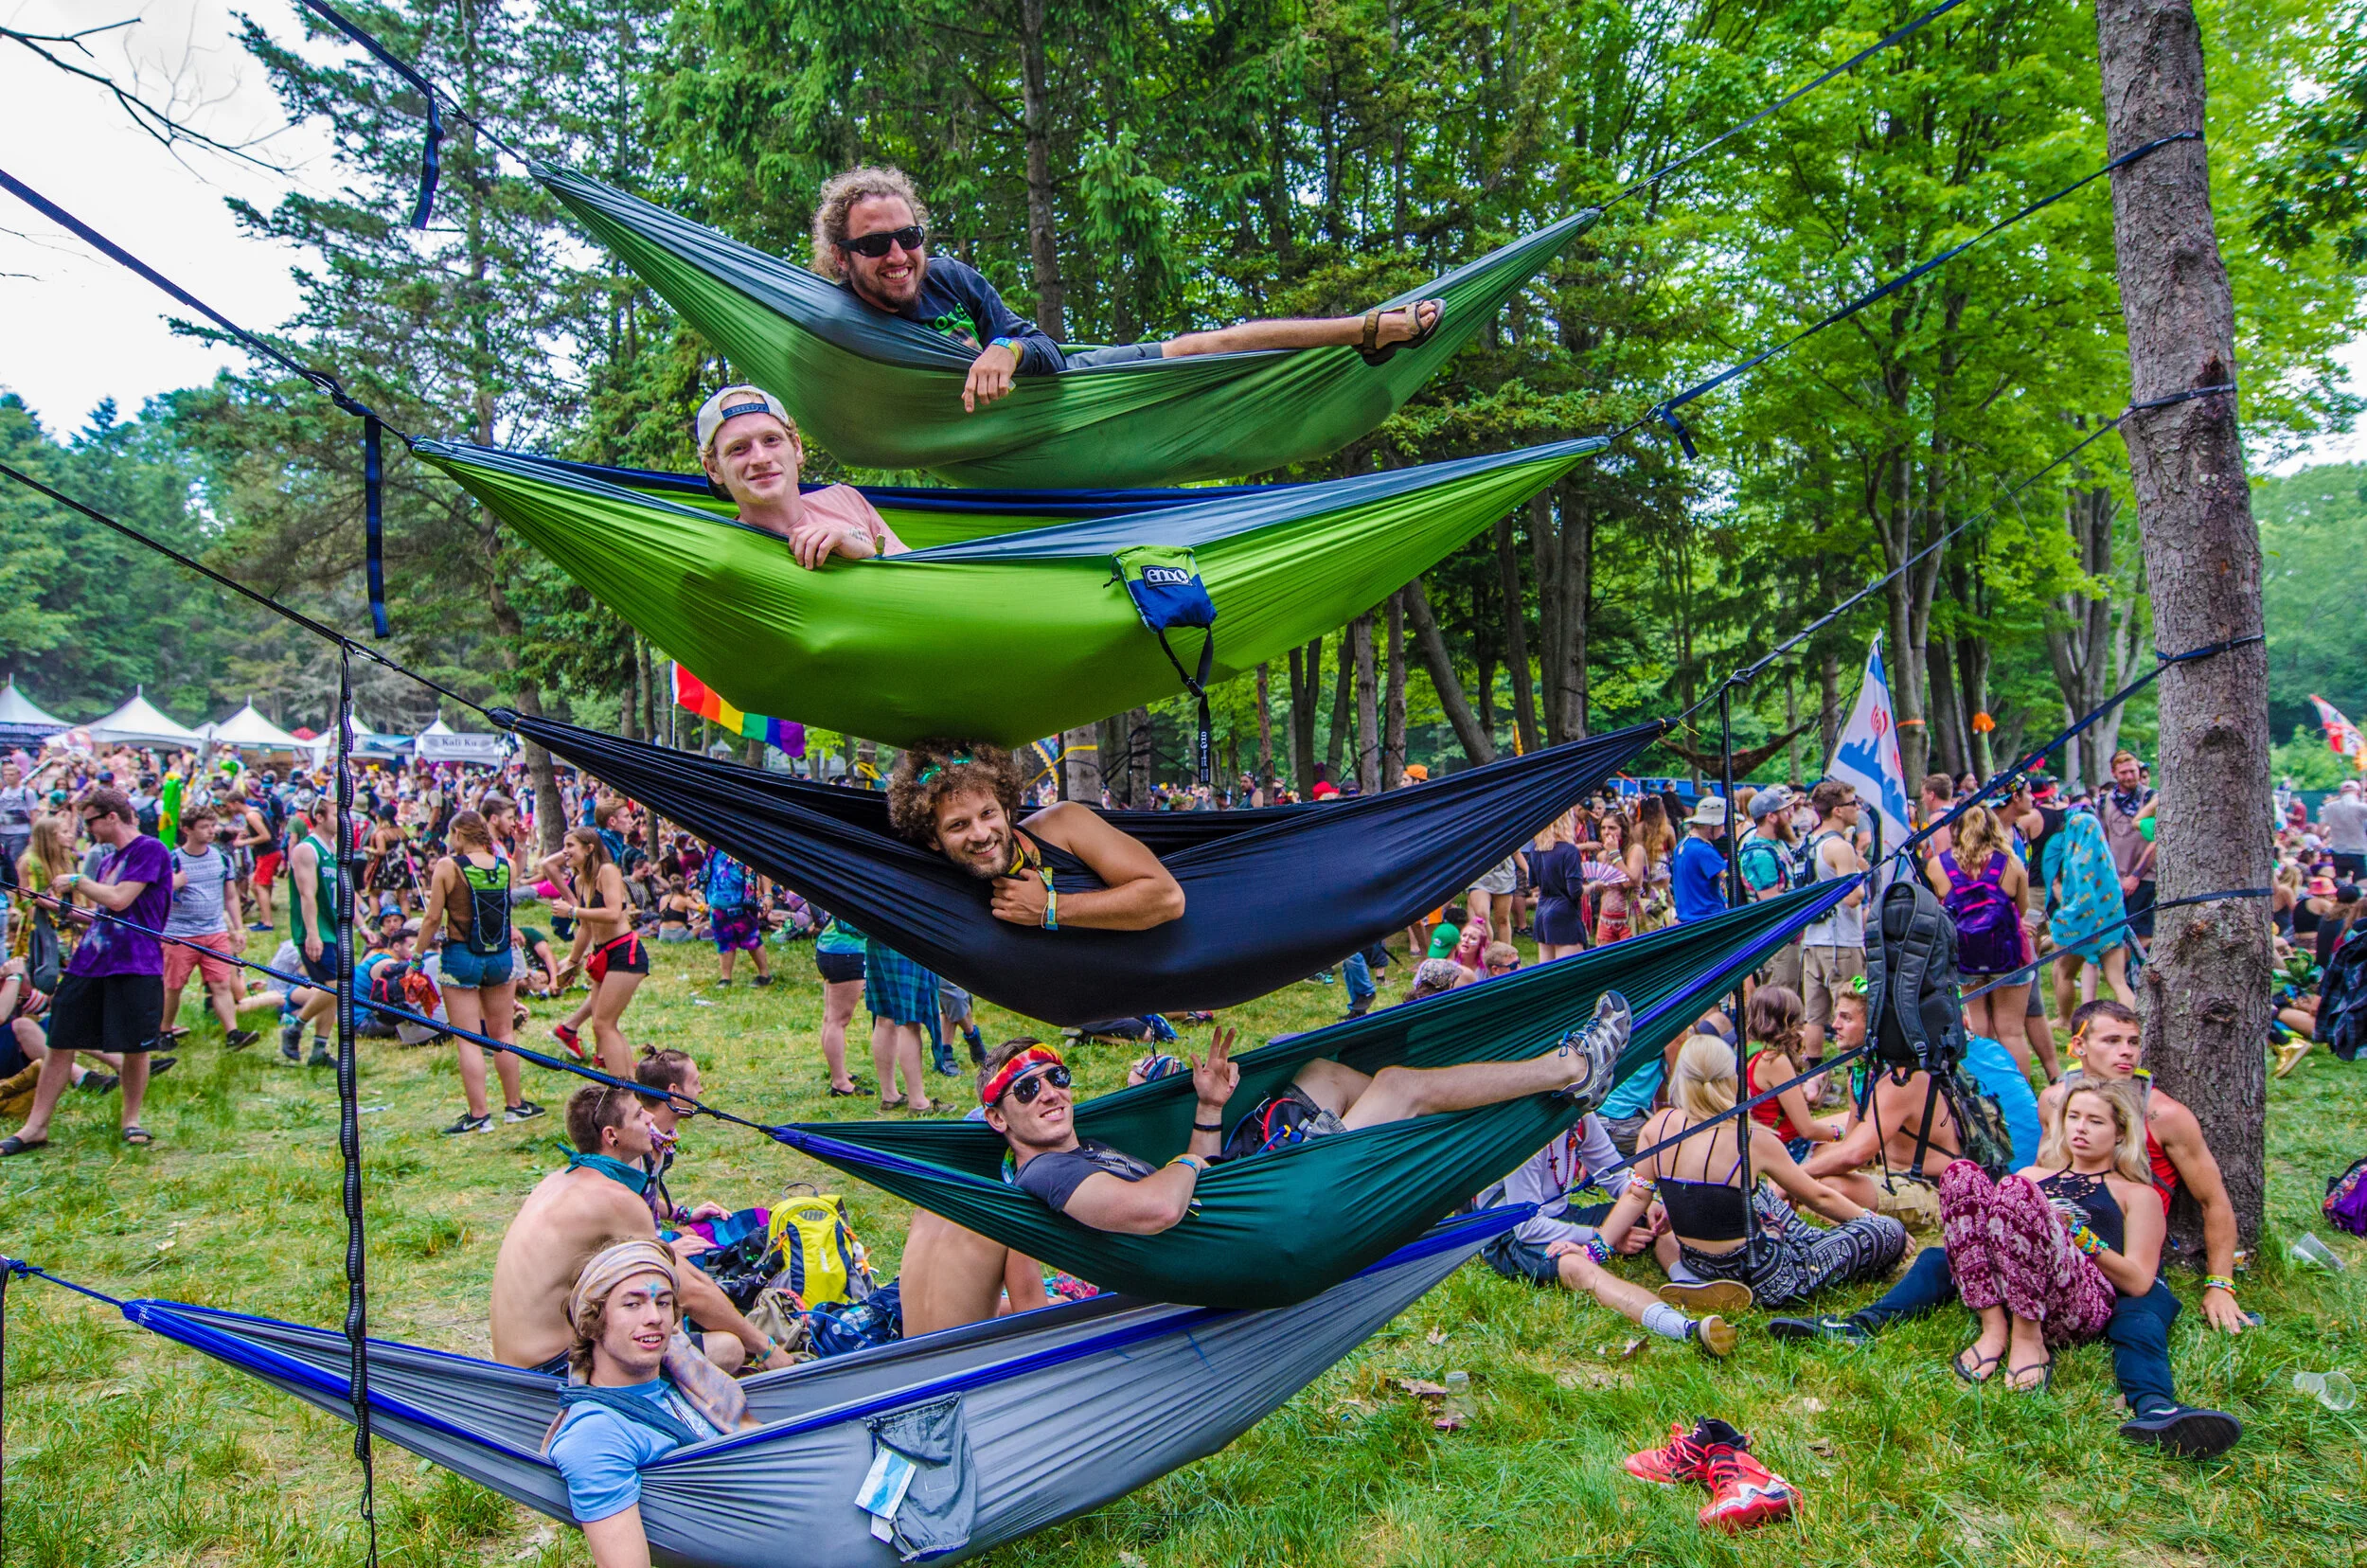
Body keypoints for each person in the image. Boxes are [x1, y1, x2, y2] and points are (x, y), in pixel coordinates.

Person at [810, 166, 1445, 413]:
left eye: (909, 236)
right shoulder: (832, 318)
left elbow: (1043, 349)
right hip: (994, 444)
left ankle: (1368, 331)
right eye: (875, 244)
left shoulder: (949, 279)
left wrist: (1006, 347)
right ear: (841, 257)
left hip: (1072, 392)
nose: (898, 256)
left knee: (1204, 346)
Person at [983, 997, 1628, 1236]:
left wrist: (1208, 1107)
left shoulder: (1078, 1148)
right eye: (1025, 1090)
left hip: (1240, 1181)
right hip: (1265, 1214)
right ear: (997, 1120)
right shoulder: (1047, 1173)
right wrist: (1188, 1161)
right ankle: (1570, 1069)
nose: (1049, 1094)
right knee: (1398, 1086)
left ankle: (1444, 1152)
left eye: (1056, 1078)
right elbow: (1156, 1210)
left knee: (1323, 1072)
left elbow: (1191, 1174)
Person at [489, 1083, 793, 1375]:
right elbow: (690, 1292)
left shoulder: (560, 1180)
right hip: (552, 1371)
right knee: (729, 1348)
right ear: (612, 1135)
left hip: (512, 1368)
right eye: (638, 1115)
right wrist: (765, 1348)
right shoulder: (614, 1200)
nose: (650, 1117)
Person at [1590, 1034, 1907, 1309]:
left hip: (1699, 1263)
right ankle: (1846, 1236)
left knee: (1755, 1198)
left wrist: (1595, 1250)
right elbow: (1819, 1197)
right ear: (1732, 1079)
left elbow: (1636, 1197)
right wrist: (1870, 1220)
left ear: (1679, 1078)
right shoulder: (1752, 1138)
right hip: (1763, 1276)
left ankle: (1688, 1280)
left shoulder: (1656, 1128)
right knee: (1889, 1230)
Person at [542, 1240, 756, 1568]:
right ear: (591, 1321)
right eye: (633, 1304)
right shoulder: (597, 1436)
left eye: (663, 1302)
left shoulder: (685, 1383)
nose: (654, 1317)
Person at [1937, 1080, 2162, 1391]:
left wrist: (2073, 1231)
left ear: (2121, 1132)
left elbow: (2138, 1282)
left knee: (2018, 1190)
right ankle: (1993, 1327)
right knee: (1961, 1173)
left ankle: (2028, 1338)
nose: (2080, 1128)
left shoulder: (2137, 1194)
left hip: (2076, 1302)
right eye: (2073, 1116)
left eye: (2096, 1121)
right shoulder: (2031, 1176)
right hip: (2007, 1289)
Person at [0, 787, 174, 1154]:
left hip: (134, 963)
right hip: (89, 963)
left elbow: (120, 899)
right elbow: (104, 914)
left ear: (111, 817)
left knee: (135, 1046)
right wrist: (60, 907)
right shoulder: (110, 860)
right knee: (60, 1040)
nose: (87, 829)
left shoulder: (150, 850)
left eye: (90, 821)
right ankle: (35, 1128)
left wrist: (77, 881)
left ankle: (131, 1120)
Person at [1482, 1113, 1740, 1357]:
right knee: (1575, 1264)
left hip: (1561, 1214)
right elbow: (1527, 1227)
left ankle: (1688, 1284)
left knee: (1653, 1218)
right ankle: (1685, 1329)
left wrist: (1649, 1204)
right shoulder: (1525, 1130)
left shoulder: (1580, 1117)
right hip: (1507, 1234)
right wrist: (1604, 1236)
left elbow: (1615, 1173)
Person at [884, 739, 1184, 932]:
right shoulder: (933, 886)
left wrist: (1050, 907)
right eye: (958, 825)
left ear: (1006, 809)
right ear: (932, 839)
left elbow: (1168, 897)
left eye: (987, 813)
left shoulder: (1065, 824)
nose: (980, 834)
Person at [417, 810, 542, 1133]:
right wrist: (520, 845)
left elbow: (432, 918)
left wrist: (417, 956)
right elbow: (514, 883)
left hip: (461, 956)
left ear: (459, 833)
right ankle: (515, 1105)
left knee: (468, 1040)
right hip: (500, 958)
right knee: (504, 1034)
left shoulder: (448, 867)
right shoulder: (504, 865)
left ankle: (479, 1115)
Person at [695, 384, 911, 570]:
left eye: (771, 440)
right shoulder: (720, 560)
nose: (761, 458)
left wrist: (866, 555)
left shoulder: (846, 500)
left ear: (796, 447)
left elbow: (920, 582)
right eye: (738, 448)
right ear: (713, 469)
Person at [1926, 804, 2035, 1077]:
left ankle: (1985, 1086)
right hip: (2009, 954)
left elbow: (1937, 908)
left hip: (1965, 955)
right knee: (2011, 1031)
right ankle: (2018, 1090)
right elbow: (2022, 910)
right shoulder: (2011, 863)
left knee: (1978, 1026)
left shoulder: (1938, 866)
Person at [550, 829, 647, 1076]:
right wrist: (571, 962)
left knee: (604, 1024)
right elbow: (586, 928)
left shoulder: (607, 871)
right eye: (564, 846)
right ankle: (628, 1083)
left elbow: (613, 913)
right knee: (602, 1025)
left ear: (589, 848)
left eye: (570, 845)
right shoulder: (580, 881)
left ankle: (622, 1086)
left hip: (625, 952)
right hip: (602, 954)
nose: (565, 852)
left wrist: (572, 911)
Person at [160, 805, 258, 1050]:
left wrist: (238, 928)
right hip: (179, 935)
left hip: (215, 931)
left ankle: (233, 1033)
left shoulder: (222, 858)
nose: (211, 831)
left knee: (221, 984)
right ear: (187, 830)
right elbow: (156, 896)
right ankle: (164, 1031)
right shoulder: (173, 860)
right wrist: (172, 884)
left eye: (213, 826)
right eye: (204, 827)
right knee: (173, 986)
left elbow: (231, 896)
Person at [1796, 782, 1868, 1059]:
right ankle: (1856, 1072)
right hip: (1842, 943)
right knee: (1852, 1011)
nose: (1858, 808)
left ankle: (1813, 1074)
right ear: (1837, 810)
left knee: (1814, 1016)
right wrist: (1861, 876)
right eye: (1853, 803)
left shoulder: (1809, 842)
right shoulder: (1840, 847)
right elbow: (1852, 897)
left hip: (1813, 940)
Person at [2045, 804, 2134, 1012]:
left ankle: (2064, 1018)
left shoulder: (2076, 862)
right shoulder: (2106, 863)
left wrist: (2062, 919)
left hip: (2081, 927)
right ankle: (2135, 1021)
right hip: (2110, 925)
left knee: (2065, 973)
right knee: (2118, 981)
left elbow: (2078, 898)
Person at [1741, 987, 1842, 1165]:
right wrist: (1840, 1134)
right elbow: (1807, 1129)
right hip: (1792, 1151)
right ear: (1786, 1022)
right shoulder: (1774, 1061)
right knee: (1861, 1147)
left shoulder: (1748, 1052)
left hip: (1767, 1148)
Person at [280, 792, 345, 1069]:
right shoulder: (307, 849)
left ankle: (319, 1049)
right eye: (336, 814)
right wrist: (312, 933)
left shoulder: (333, 849)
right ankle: (295, 1026)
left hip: (334, 927)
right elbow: (307, 894)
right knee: (336, 986)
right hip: (317, 929)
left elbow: (343, 893)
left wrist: (364, 926)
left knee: (332, 989)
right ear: (319, 817)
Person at [1736, 786, 1804, 992]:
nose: (1790, 815)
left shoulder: (1779, 843)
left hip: (1790, 935)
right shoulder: (1759, 854)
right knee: (1780, 996)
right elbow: (1771, 901)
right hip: (1777, 939)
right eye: (1784, 811)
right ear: (1771, 817)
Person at [2099, 750, 2158, 946]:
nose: (2129, 776)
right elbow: (2103, 839)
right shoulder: (2105, 802)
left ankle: (2143, 966)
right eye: (2123, 772)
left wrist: (2136, 875)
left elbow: (2157, 841)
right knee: (2117, 934)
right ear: (2114, 773)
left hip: (2146, 877)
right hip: (2116, 878)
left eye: (2133, 771)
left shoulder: (2151, 798)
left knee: (2142, 935)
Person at [810, 909, 866, 1096]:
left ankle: (839, 1072)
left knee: (830, 1018)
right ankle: (840, 1082)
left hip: (829, 947)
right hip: (846, 951)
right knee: (838, 1020)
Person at [700, 846, 773, 987]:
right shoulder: (713, 848)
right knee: (724, 942)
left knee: (752, 940)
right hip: (718, 905)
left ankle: (764, 975)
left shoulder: (745, 846)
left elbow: (764, 870)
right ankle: (725, 978)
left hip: (742, 904)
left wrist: (768, 895)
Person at [1671, 796, 1730, 923]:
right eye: (1722, 825)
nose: (1724, 829)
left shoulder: (1682, 845)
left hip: (1686, 919)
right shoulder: (1704, 851)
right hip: (1709, 918)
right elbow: (1729, 877)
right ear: (1710, 826)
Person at [2322, 778, 2367, 882]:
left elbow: (2320, 831)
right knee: (2362, 882)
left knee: (2341, 882)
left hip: (2338, 851)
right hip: (2359, 851)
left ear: (2341, 792)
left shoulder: (2329, 807)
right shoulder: (2360, 807)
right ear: (2357, 792)